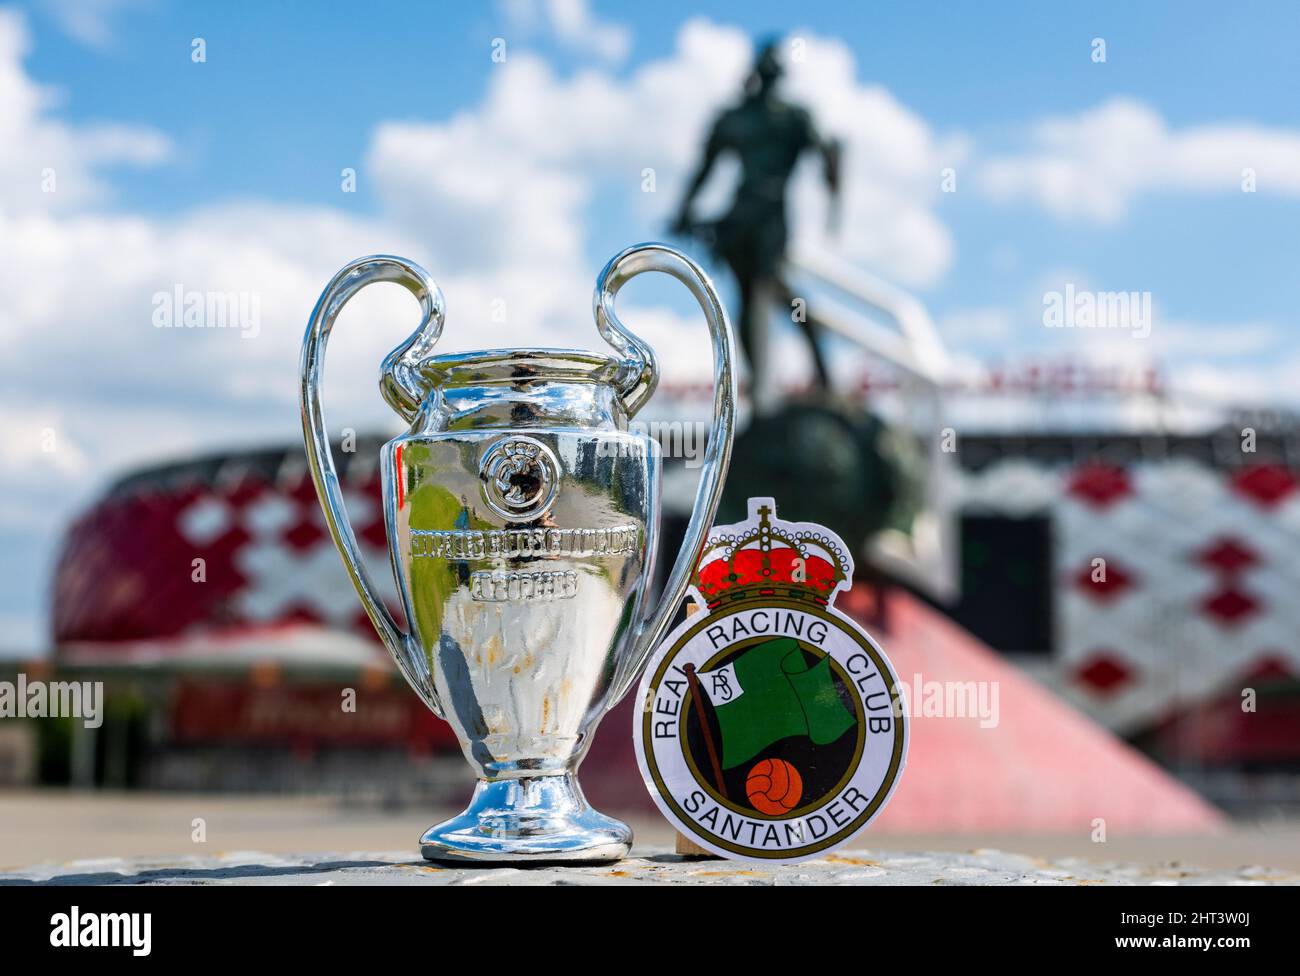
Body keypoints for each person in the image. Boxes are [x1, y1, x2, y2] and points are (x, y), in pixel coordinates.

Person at [672, 40, 841, 392]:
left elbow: (826, 156)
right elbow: (704, 170)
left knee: (772, 288)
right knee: (751, 298)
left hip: (768, 217)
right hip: (742, 218)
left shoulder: (789, 118)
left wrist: (833, 167)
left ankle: (816, 376)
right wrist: (682, 211)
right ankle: (763, 390)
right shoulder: (747, 119)